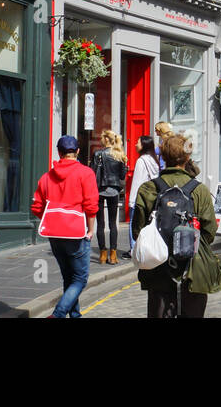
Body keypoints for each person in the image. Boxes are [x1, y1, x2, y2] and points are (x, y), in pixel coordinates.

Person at [131, 134, 221, 317]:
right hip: (192, 268)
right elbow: (210, 231)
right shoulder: (199, 190)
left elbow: (138, 231)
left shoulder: (148, 188)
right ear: (187, 158)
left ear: (163, 157)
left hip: (158, 267)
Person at [31, 135, 99, 318]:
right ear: (77, 152)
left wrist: (52, 219)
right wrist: (91, 230)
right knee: (80, 279)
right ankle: (58, 314)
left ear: (59, 153)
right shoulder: (86, 173)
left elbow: (37, 207)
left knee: (69, 277)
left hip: (54, 234)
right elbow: (91, 206)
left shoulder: (46, 177)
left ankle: (75, 315)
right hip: (77, 233)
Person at [90, 129, 127, 264]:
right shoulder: (119, 154)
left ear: (105, 140)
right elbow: (122, 176)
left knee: (100, 224)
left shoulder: (98, 154)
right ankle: (113, 255)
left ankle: (102, 254)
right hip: (114, 191)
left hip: (99, 190)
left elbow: (91, 172)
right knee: (113, 224)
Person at [127, 135, 158, 254]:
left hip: (139, 198)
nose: (135, 144)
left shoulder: (141, 161)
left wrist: (131, 201)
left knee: (134, 224)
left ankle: (134, 250)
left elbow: (137, 182)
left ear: (144, 145)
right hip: (150, 198)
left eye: (138, 142)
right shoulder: (153, 160)